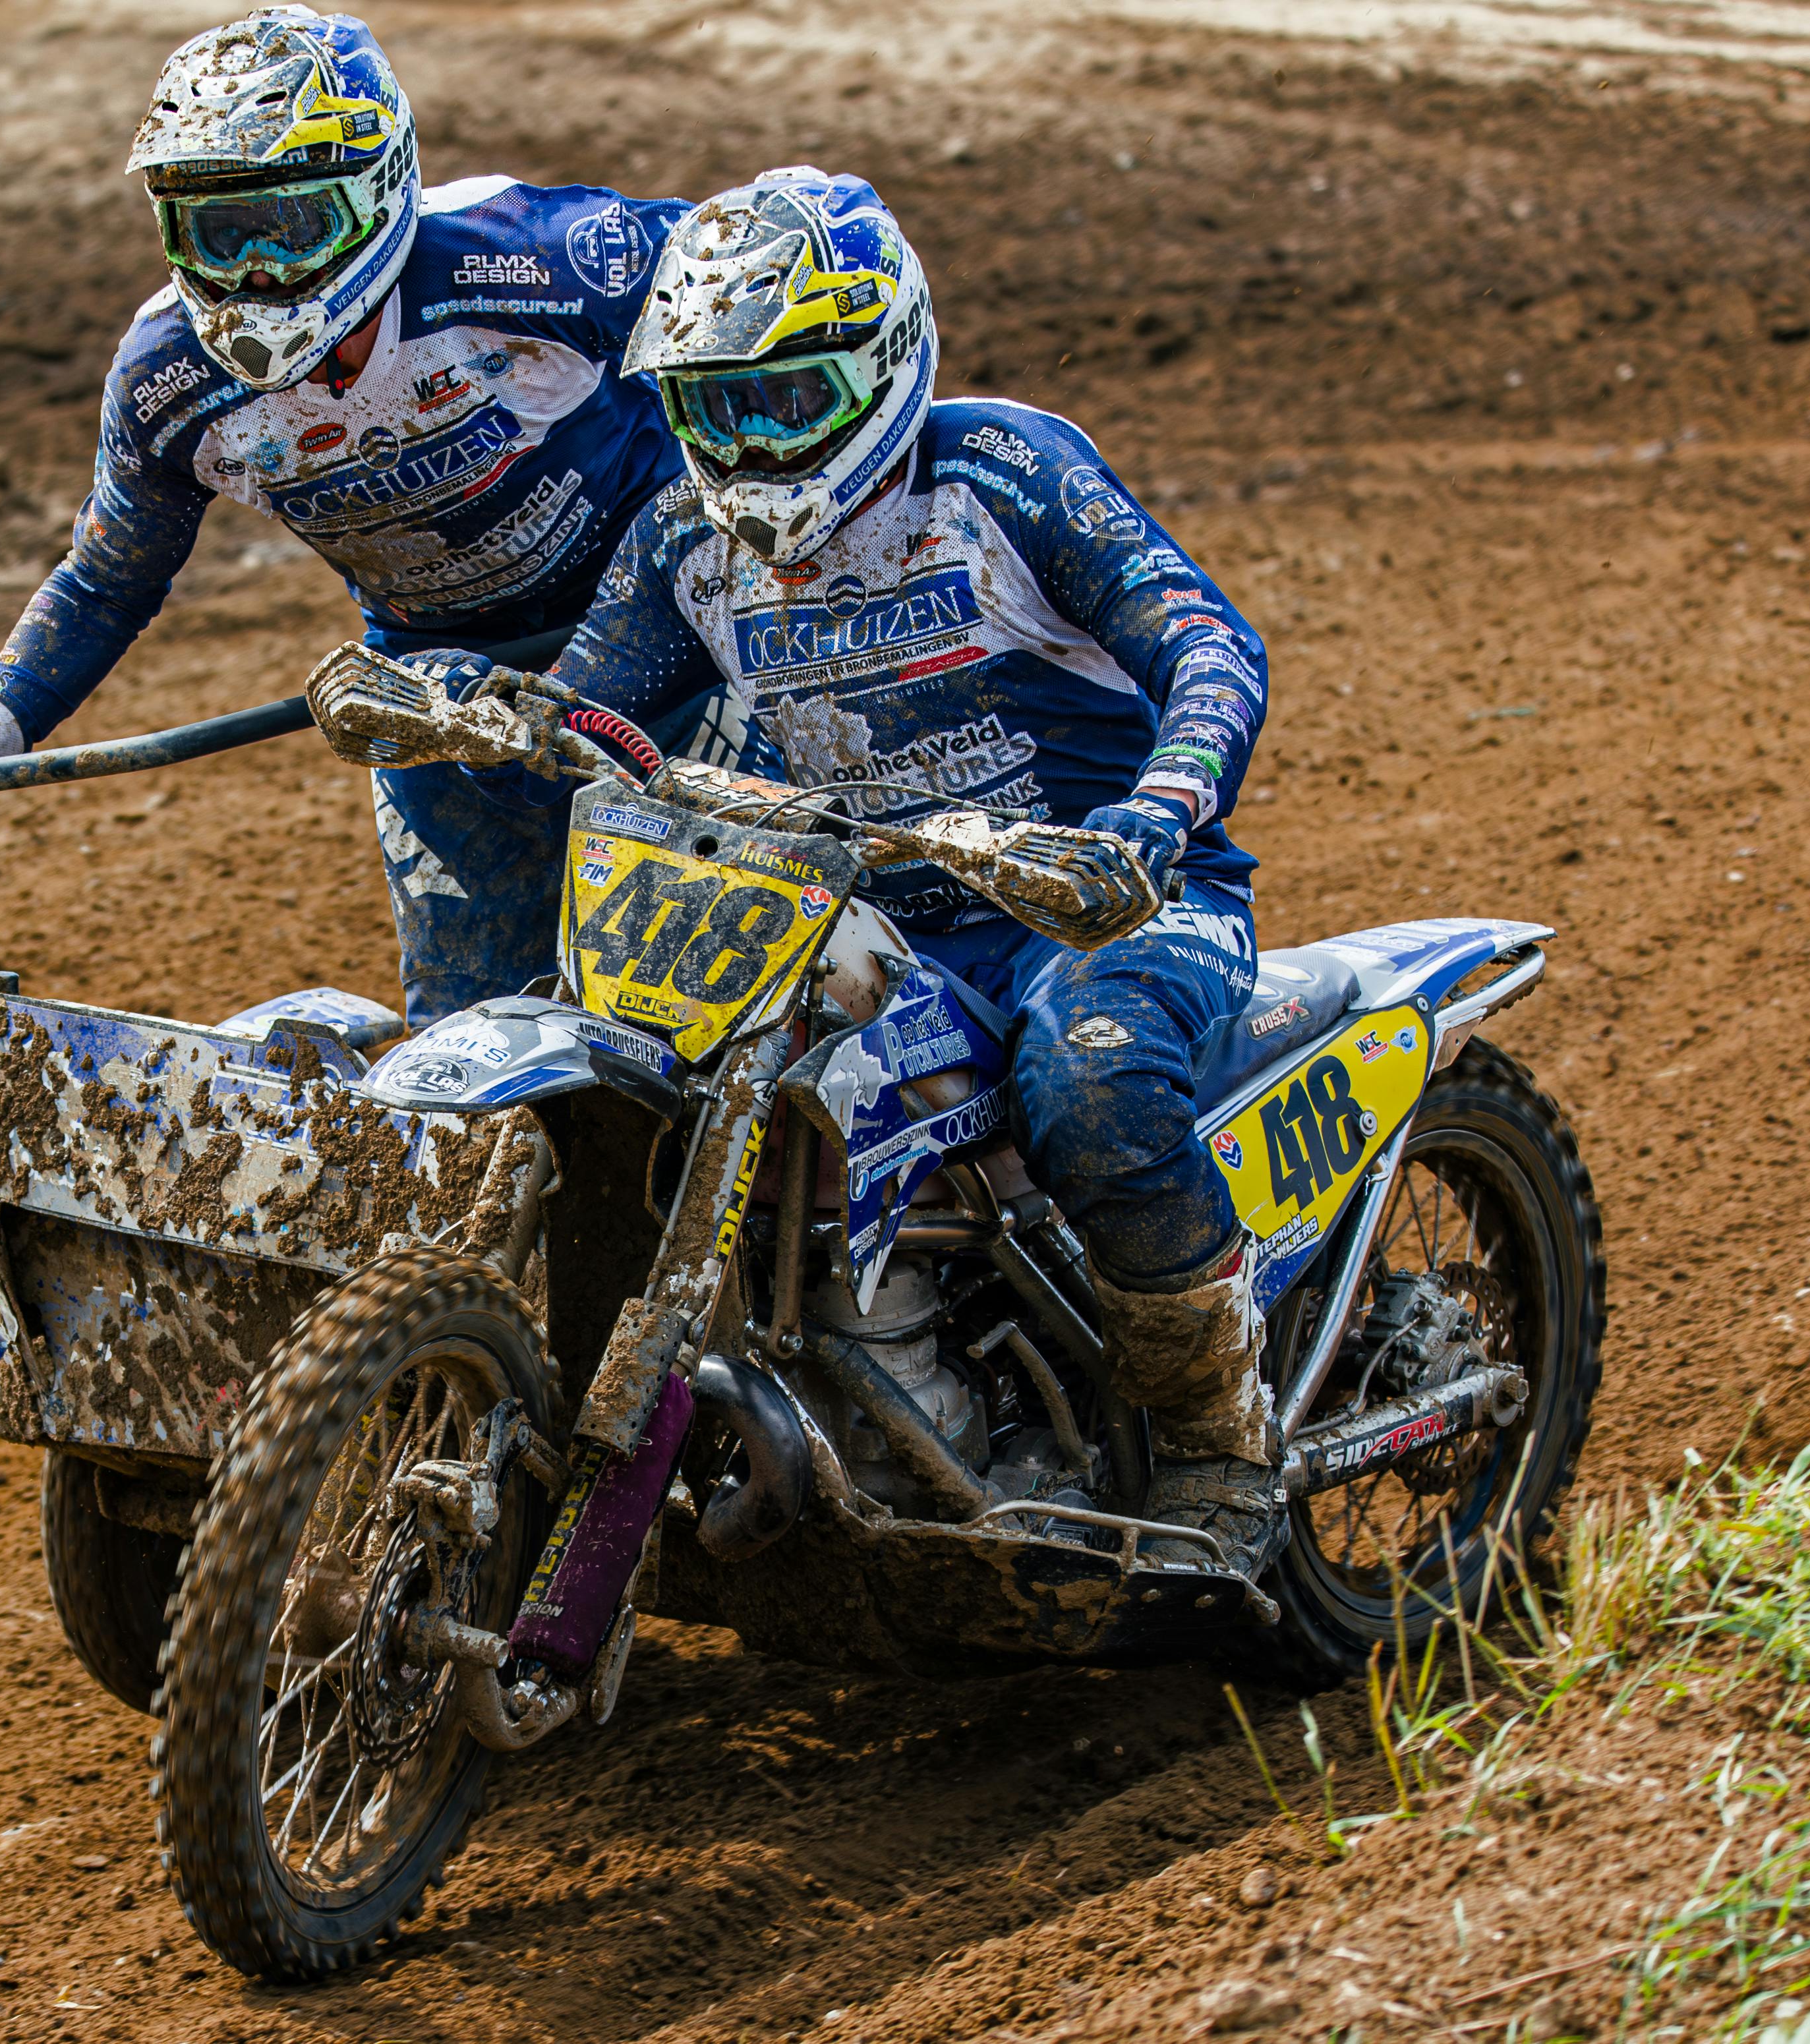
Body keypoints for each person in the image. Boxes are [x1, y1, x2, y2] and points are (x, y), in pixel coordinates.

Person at [359, 169, 1284, 1567]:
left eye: (785, 399)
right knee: (648, 1073)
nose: (749, 441)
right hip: (850, 913)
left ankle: (1221, 1442)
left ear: (882, 359)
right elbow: (597, 705)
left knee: (1088, 1080)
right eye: (714, 407)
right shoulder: (683, 533)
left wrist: (1155, 813)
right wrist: (489, 710)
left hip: (1097, 902)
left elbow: (1206, 645)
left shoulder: (1005, 475)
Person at [0, 5, 699, 1022]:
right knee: (474, 1040)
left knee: (709, 1001)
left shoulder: (541, 260)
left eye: (285, 230)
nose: (253, 279)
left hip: (672, 643)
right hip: (435, 701)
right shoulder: (169, 379)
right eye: (215, 235)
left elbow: (778, 333)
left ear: (373, 191)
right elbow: (108, 578)